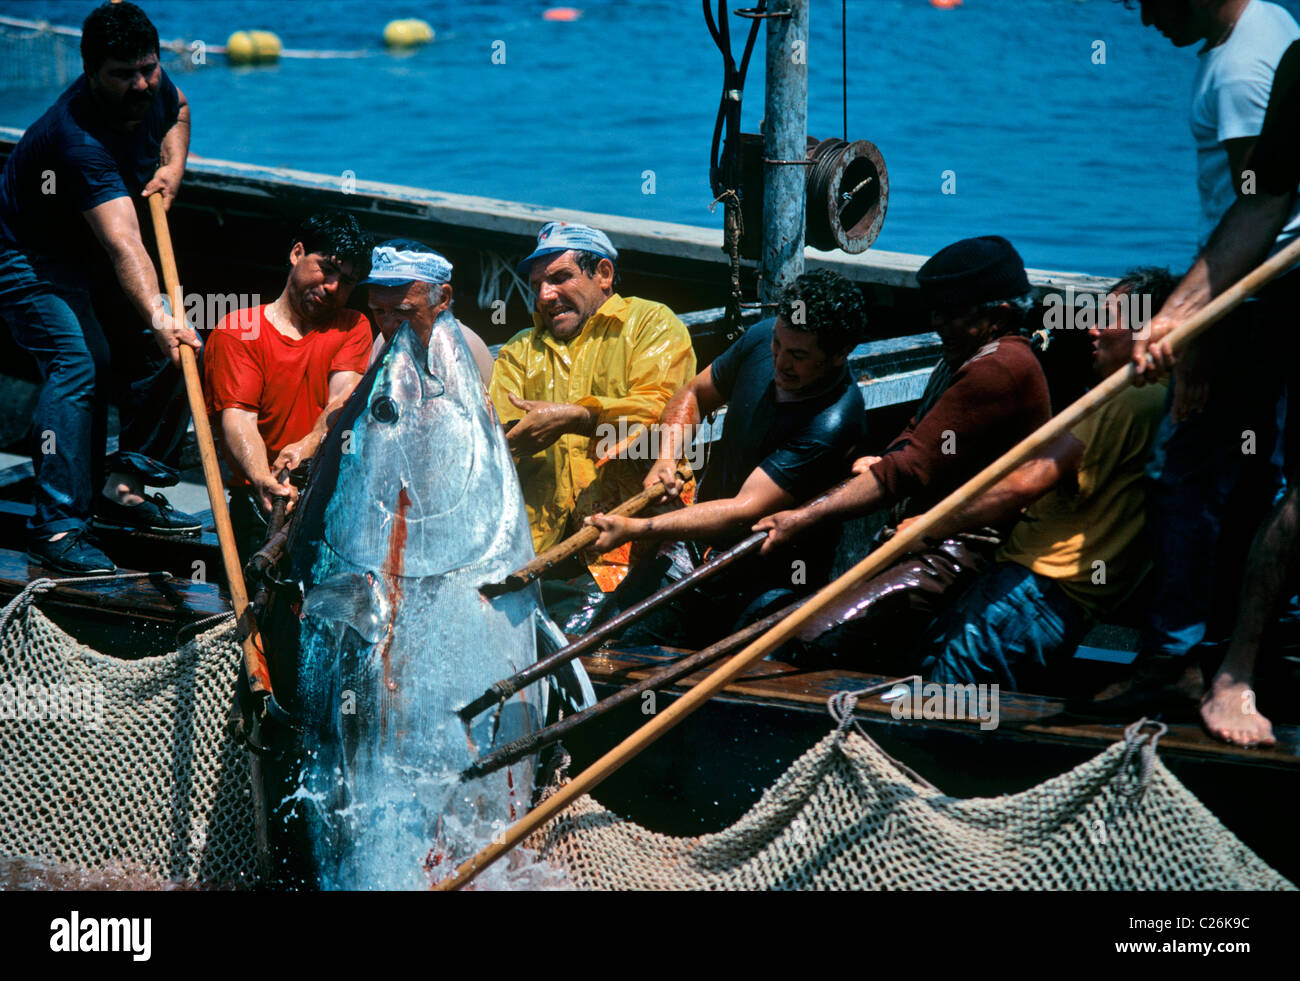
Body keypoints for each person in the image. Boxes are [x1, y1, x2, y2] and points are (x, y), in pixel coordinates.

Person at [1111, 0, 1300, 741]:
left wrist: (1198, 337)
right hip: (1245, 293)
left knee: (1186, 471)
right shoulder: (1276, 30)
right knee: (1250, 475)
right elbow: (1264, 202)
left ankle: (1187, 657)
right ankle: (1214, 652)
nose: (1145, 15)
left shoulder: (1243, 70)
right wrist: (1179, 315)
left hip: (1256, 303)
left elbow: (1258, 217)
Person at [755, 236, 1052, 667]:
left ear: (999, 315)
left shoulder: (999, 367)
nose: (937, 324)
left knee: (812, 636)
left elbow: (909, 468)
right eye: (935, 312)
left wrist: (802, 517)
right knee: (789, 624)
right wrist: (885, 457)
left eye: (950, 315)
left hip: (963, 550)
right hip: (920, 535)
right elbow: (916, 435)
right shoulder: (964, 357)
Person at [0, 1, 203, 574]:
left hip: (91, 253)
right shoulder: (75, 137)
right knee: (80, 362)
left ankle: (122, 491)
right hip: (28, 256)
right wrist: (161, 316)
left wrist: (173, 167)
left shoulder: (154, 87)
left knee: (179, 351)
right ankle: (58, 527)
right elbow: (126, 247)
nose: (141, 83)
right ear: (92, 72)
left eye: (148, 67)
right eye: (124, 74)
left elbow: (179, 110)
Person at [906, 269, 1176, 690]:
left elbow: (1026, 483)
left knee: (943, 705)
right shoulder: (1169, 396)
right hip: (1069, 604)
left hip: (1034, 593)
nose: (1093, 329)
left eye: (1110, 319)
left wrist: (928, 527)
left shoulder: (1127, 397)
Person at [582, 269, 870, 648]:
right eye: (778, 346)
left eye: (798, 356)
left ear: (837, 355)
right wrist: (666, 457)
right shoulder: (761, 337)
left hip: (768, 579)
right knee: (602, 647)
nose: (780, 363)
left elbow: (743, 508)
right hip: (695, 549)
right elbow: (695, 394)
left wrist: (637, 528)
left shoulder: (833, 422)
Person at [489, 221, 696, 603]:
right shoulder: (519, 352)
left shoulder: (651, 324)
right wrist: (506, 440)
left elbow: (659, 408)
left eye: (559, 278)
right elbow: (496, 438)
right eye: (537, 286)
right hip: (537, 552)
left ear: (603, 274)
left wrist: (578, 418)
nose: (546, 296)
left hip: (631, 546)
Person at [203, 211, 374, 560]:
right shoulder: (239, 331)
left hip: (333, 495)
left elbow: (342, 398)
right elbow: (239, 421)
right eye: (326, 269)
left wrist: (308, 444)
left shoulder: (353, 326)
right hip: (262, 500)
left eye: (347, 281)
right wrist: (264, 478)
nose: (333, 288)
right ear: (297, 253)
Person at [362, 238, 494, 384]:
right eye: (379, 311)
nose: (387, 326)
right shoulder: (384, 340)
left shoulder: (459, 351)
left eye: (402, 311)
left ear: (443, 299)